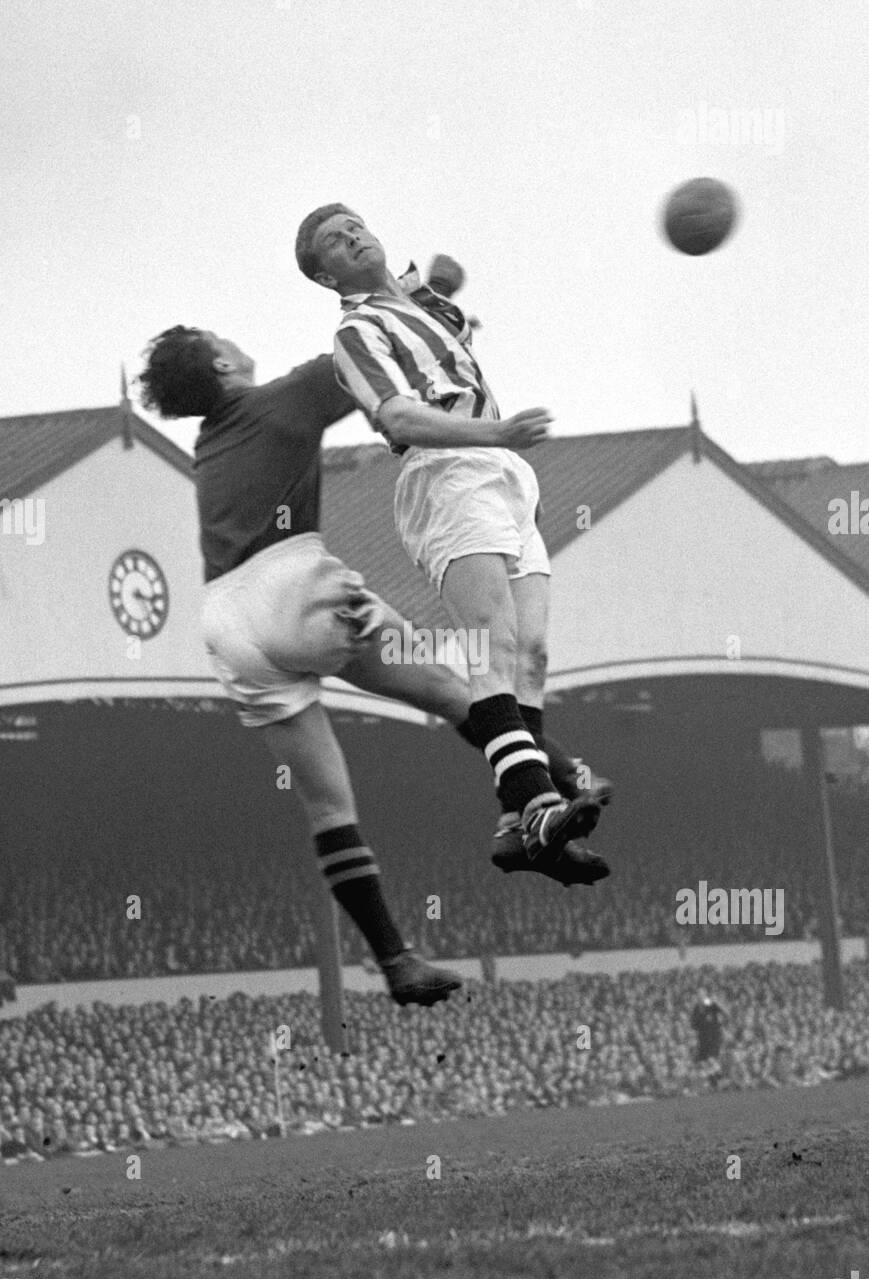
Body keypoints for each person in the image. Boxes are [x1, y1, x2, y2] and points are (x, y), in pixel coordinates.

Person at [139, 293, 605, 1009]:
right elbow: (375, 367)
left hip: (228, 622)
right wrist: (438, 318)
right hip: (297, 584)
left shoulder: (209, 445)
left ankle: (395, 960)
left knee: (328, 808)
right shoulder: (278, 398)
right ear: (223, 363)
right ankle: (554, 788)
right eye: (219, 335)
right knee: (459, 689)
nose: (231, 336)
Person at [296, 206, 611, 877]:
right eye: (332, 240)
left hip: (502, 475)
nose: (352, 234)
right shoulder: (354, 332)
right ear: (323, 274)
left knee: (531, 654)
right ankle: (535, 805)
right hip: (445, 471)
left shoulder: (420, 305)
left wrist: (435, 285)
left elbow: (445, 313)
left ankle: (520, 828)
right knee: (490, 642)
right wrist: (496, 435)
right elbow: (402, 416)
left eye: (354, 224)